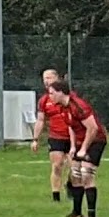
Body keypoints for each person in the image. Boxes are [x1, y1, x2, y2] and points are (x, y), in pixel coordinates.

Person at [49, 81, 108, 217]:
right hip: (81, 142)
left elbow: (93, 128)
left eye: (52, 93)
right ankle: (76, 212)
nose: (50, 96)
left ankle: (92, 215)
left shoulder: (78, 106)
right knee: (75, 173)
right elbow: (72, 126)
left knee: (86, 173)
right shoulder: (62, 107)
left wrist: (83, 148)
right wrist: (73, 146)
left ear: (61, 92)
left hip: (96, 140)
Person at [30, 69, 72, 203]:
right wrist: (35, 139)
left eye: (49, 78)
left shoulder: (69, 97)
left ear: (57, 78)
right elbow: (41, 120)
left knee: (74, 167)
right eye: (44, 78)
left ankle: (70, 184)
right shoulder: (44, 100)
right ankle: (56, 196)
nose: (46, 81)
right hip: (56, 136)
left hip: (72, 136)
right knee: (57, 165)